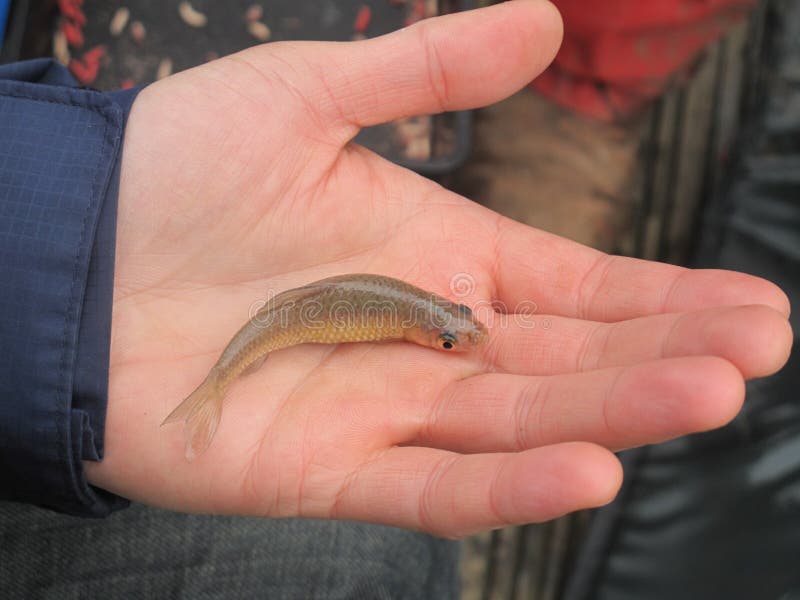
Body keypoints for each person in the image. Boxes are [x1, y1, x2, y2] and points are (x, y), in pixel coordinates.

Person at [0, 1, 792, 597]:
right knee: (374, 556)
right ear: (425, 330)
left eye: (452, 335)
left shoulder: (415, 313)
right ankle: (213, 390)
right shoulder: (397, 317)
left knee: (382, 552)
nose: (454, 339)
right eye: (452, 337)